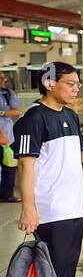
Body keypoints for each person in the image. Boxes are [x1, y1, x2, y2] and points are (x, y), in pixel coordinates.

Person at [14, 62, 83, 277]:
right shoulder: (32, 119)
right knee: (51, 266)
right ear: (49, 83)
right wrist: (28, 208)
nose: (75, 89)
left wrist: (82, 196)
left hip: (74, 205)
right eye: (70, 83)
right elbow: (24, 166)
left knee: (68, 264)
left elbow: (75, 161)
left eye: (77, 84)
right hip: (51, 208)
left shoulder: (71, 116)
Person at [0, 72, 23, 202]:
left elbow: (16, 111)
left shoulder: (8, 93)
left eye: (4, 78)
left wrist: (3, 112)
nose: (3, 80)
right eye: (0, 78)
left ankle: (7, 194)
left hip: (8, 136)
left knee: (9, 166)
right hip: (1, 135)